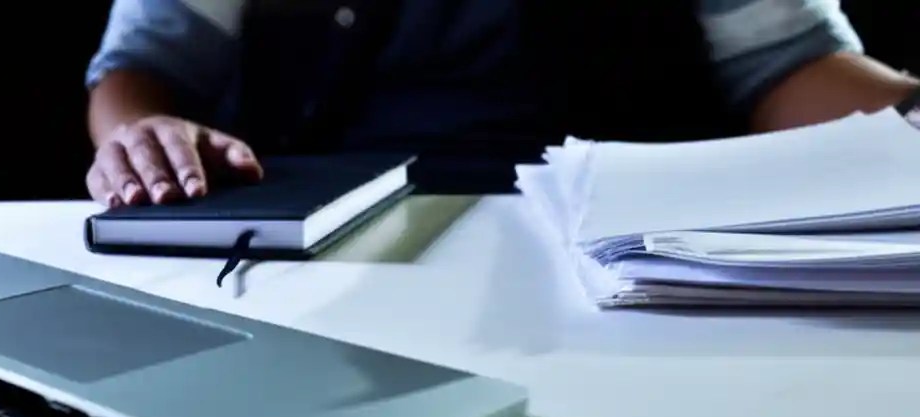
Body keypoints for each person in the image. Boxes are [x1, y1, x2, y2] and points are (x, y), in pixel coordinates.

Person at [84, 0, 920, 207]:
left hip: (612, 251)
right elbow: (142, 75)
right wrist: (143, 135)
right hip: (321, 243)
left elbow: (791, 68)